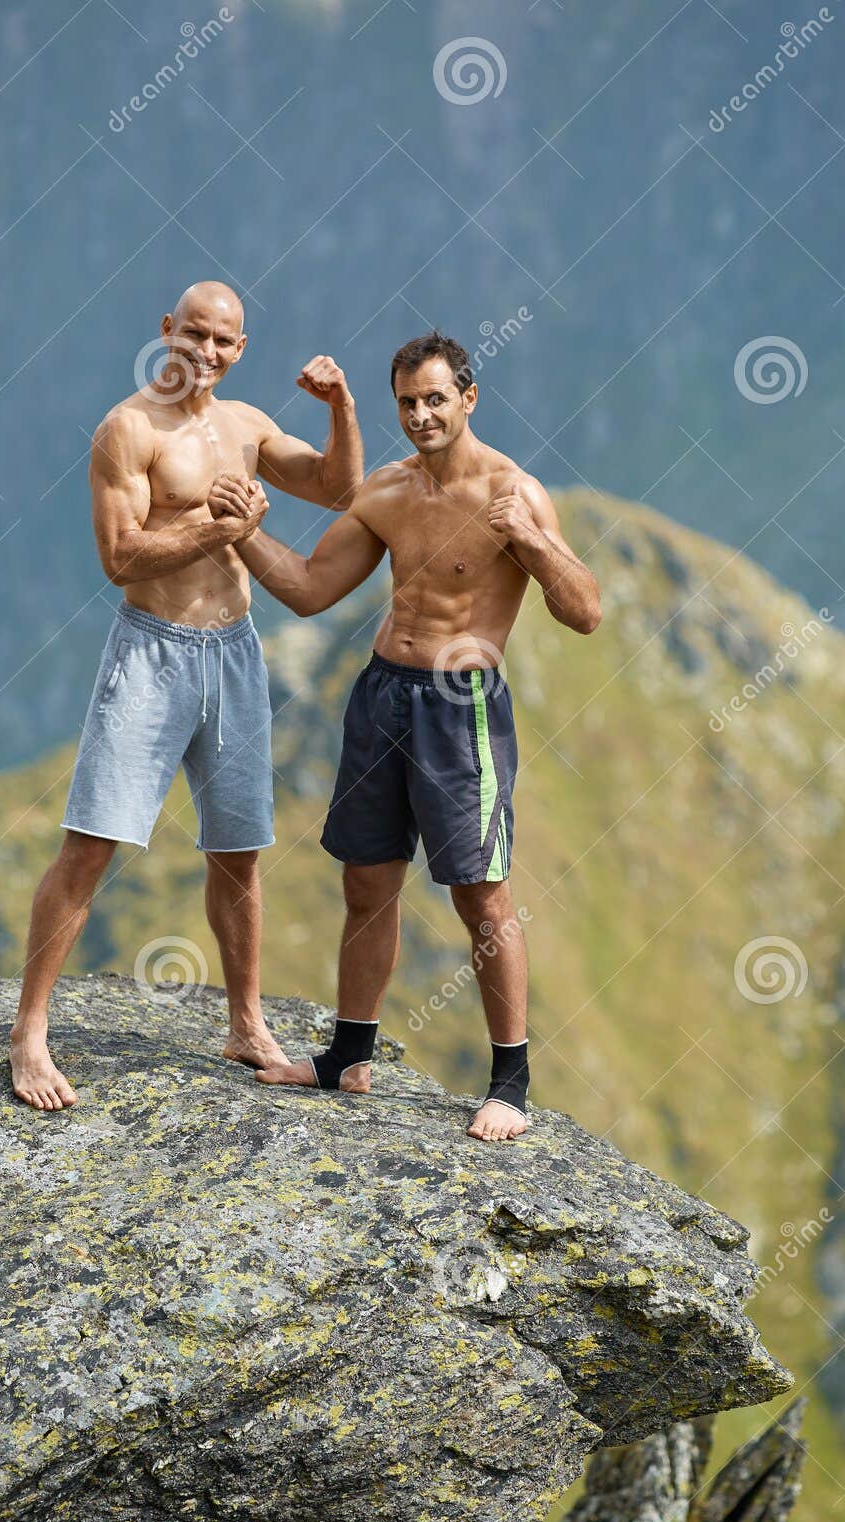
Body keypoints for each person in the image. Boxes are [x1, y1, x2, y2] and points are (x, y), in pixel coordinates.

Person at [208, 329, 601, 1142]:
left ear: (469, 398)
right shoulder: (387, 492)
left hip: (461, 709)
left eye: (435, 399)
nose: (421, 415)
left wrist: (529, 541)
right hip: (382, 695)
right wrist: (244, 529)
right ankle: (350, 1055)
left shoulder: (514, 493)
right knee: (366, 879)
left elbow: (585, 610)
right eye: (408, 403)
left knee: (479, 890)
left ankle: (511, 1085)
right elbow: (312, 589)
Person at [9, 281, 364, 1109]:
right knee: (91, 845)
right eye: (194, 333)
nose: (206, 352)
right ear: (167, 330)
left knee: (238, 851)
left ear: (242, 350)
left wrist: (342, 404)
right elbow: (122, 558)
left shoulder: (243, 425)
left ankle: (245, 1020)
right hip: (151, 653)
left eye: (224, 341)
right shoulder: (127, 429)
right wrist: (219, 525)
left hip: (234, 653)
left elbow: (338, 488)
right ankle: (29, 1034)